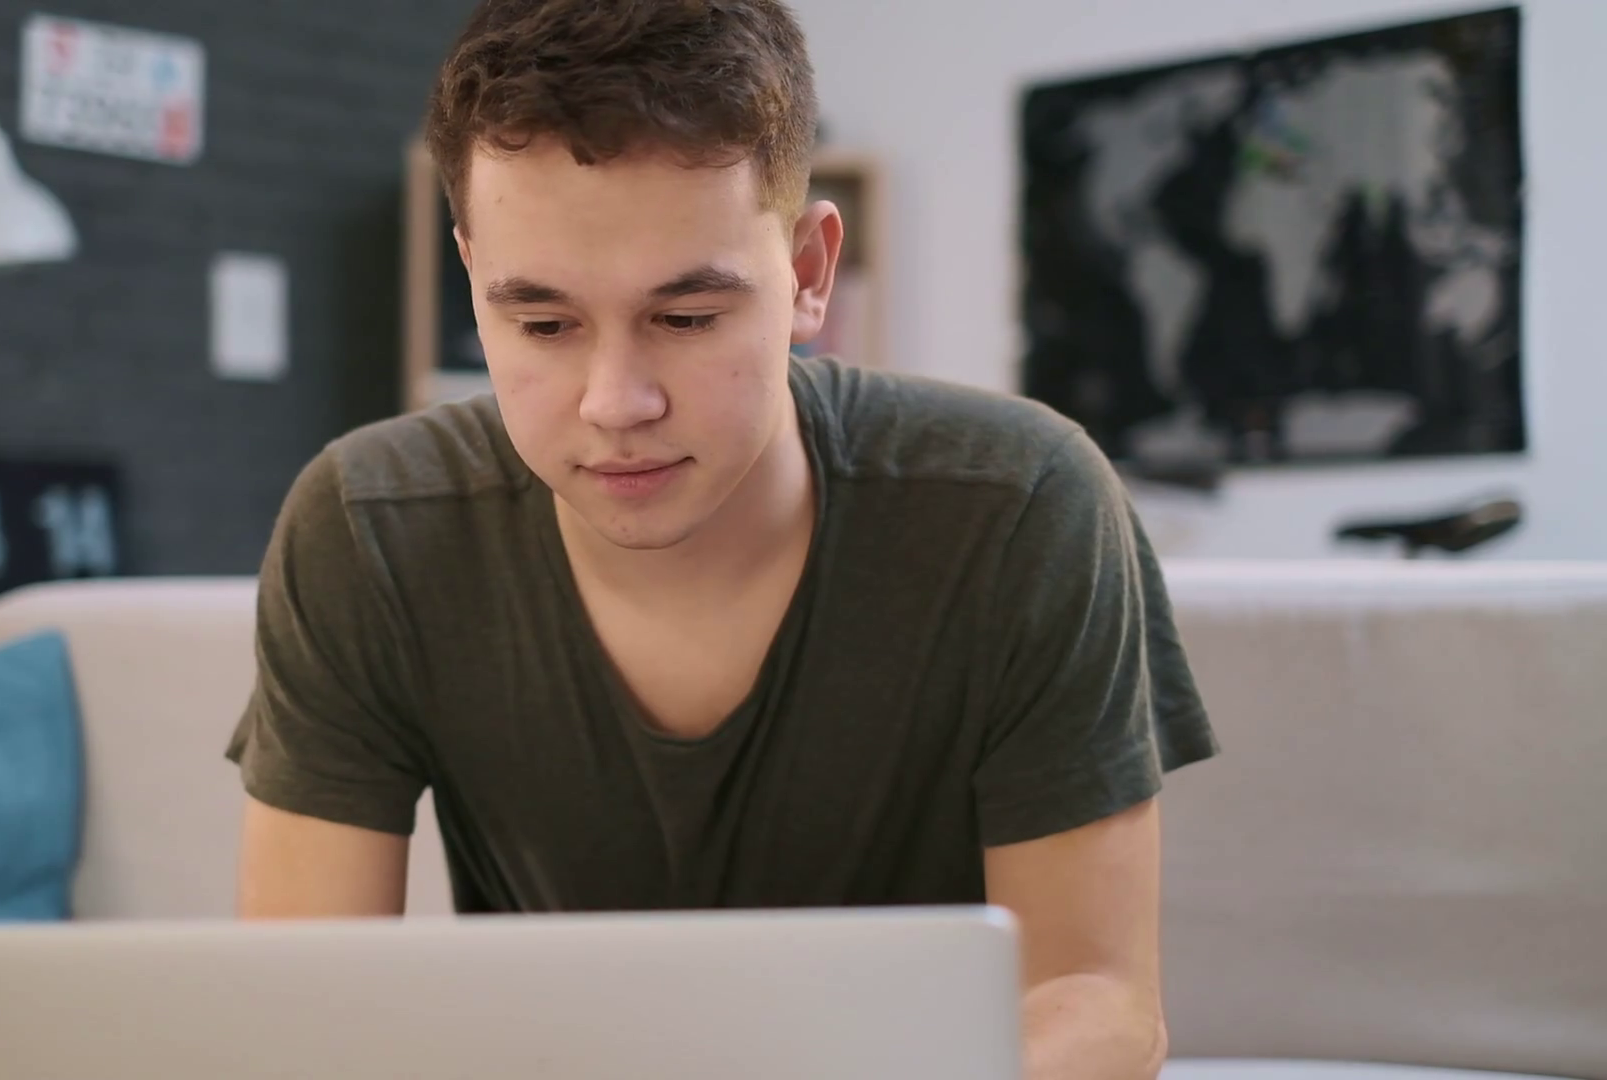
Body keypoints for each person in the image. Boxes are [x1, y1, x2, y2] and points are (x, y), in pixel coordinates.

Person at [225, 1, 1218, 1077]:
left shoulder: (1022, 506)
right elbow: (298, 1011)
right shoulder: (368, 527)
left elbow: (1095, 1002)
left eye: (686, 318)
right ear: (472, 277)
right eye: (543, 324)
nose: (616, 403)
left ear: (809, 272)